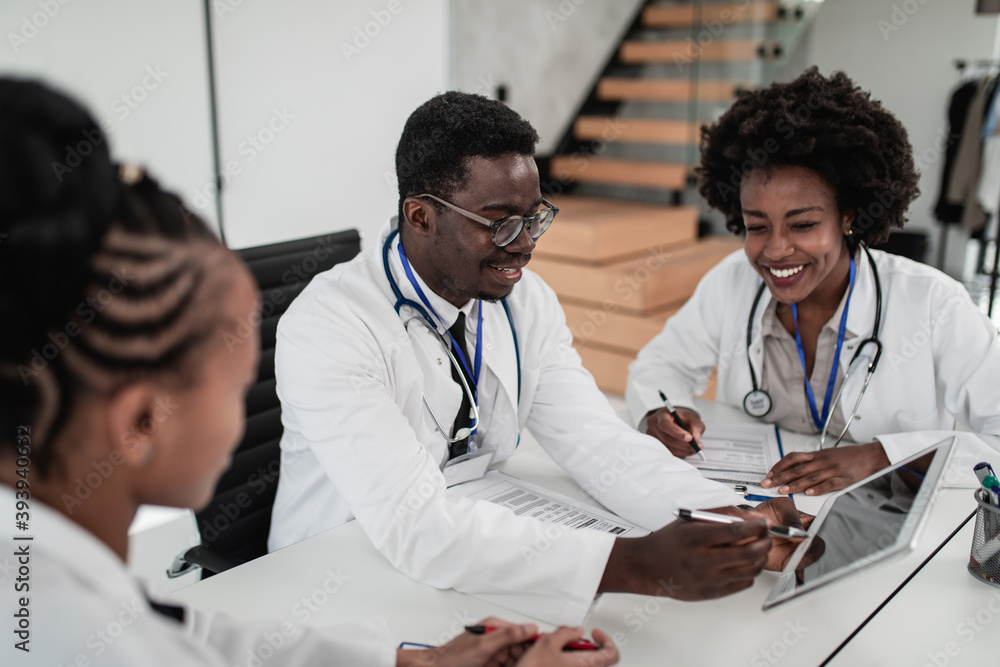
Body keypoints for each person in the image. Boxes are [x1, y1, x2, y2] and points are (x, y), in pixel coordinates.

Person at [0, 78, 617, 667]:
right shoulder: (56, 634)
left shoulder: (43, 581)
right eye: (237, 382)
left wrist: (408, 661)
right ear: (141, 422)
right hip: (333, 572)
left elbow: (198, 640)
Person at [269, 91, 809, 626]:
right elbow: (415, 524)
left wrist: (723, 513)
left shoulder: (524, 300)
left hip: (466, 543)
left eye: (534, 218)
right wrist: (633, 566)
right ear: (420, 216)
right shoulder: (330, 328)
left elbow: (596, 441)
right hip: (334, 572)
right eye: (499, 222)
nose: (525, 244)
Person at [627, 67, 1000, 497]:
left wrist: (882, 458)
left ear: (848, 216)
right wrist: (662, 410)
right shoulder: (731, 282)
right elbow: (658, 366)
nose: (777, 250)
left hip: (889, 519)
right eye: (757, 226)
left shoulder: (935, 304)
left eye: (802, 225)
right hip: (765, 507)